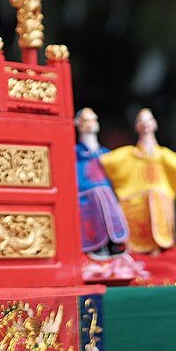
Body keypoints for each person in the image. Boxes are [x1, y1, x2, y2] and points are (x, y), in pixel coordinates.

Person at [99, 108, 176, 254]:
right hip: (136, 210)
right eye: (140, 121)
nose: (145, 124)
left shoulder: (163, 155)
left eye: (148, 120)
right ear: (136, 126)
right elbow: (107, 161)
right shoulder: (129, 155)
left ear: (154, 124)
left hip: (160, 208)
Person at [73, 107, 129, 257]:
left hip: (108, 197)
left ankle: (114, 245)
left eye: (93, 119)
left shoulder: (107, 155)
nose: (91, 123)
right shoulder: (74, 153)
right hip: (85, 199)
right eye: (86, 120)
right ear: (78, 123)